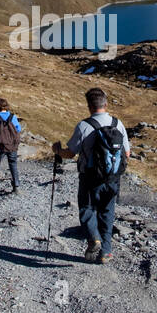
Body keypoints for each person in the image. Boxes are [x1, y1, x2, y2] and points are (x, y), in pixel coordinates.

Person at [52, 86, 131, 264]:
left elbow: (70, 153)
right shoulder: (118, 124)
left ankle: (94, 237)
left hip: (89, 177)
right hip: (112, 178)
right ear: (106, 103)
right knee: (107, 212)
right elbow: (126, 154)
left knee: (87, 209)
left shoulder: (84, 125)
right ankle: (106, 252)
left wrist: (57, 150)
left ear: (89, 106)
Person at [0, 98, 22, 193]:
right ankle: (16, 186)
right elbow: (18, 129)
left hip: (0, 146)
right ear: (6, 106)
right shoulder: (13, 117)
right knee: (13, 164)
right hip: (12, 145)